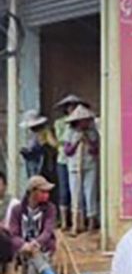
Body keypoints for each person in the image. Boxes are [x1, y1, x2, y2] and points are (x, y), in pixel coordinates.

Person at [10, 176, 60, 274]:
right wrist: (23, 245)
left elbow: (48, 231)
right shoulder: (17, 210)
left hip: (43, 250)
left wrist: (35, 243)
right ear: (33, 192)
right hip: (24, 252)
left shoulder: (50, 209)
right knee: (33, 258)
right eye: (43, 191)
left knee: (34, 264)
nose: (46, 195)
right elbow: (13, 235)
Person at [64, 104, 100, 233]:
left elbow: (96, 150)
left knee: (90, 193)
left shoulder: (92, 132)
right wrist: (77, 142)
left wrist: (88, 141)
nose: (85, 123)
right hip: (74, 167)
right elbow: (67, 151)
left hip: (89, 166)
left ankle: (91, 222)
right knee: (76, 195)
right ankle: (76, 224)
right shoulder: (70, 132)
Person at [53, 93, 85, 229]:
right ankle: (65, 221)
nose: (72, 108)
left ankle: (77, 222)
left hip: (78, 160)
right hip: (63, 159)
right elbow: (61, 140)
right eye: (69, 106)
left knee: (78, 191)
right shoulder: (60, 123)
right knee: (64, 189)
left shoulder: (82, 124)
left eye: (74, 106)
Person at [20, 111, 58, 185]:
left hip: (42, 158)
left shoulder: (45, 131)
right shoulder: (30, 133)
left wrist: (44, 141)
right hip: (31, 159)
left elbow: (54, 144)